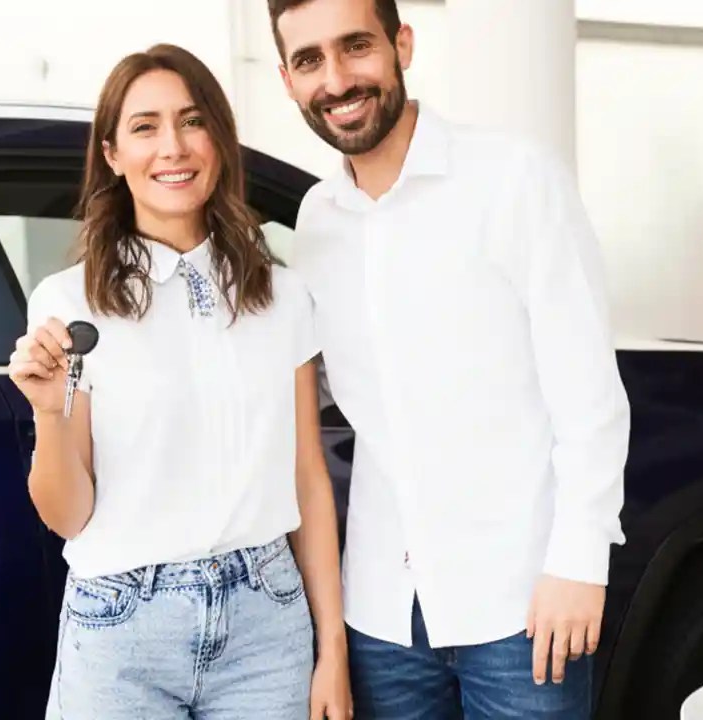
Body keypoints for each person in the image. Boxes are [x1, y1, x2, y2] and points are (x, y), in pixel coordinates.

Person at [268, 0, 631, 717]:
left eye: (356, 47)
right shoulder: (315, 221)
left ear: (402, 43)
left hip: (522, 603)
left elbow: (588, 392)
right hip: (381, 613)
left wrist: (579, 562)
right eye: (309, 60)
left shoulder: (515, 178)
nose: (337, 78)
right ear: (286, 80)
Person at [7, 43, 352, 720]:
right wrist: (50, 414)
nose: (173, 147)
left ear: (218, 140)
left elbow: (308, 478)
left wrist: (331, 649)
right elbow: (68, 514)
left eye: (192, 122)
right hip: (120, 629)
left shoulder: (282, 297)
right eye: (144, 127)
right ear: (111, 154)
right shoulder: (65, 302)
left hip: (267, 625)